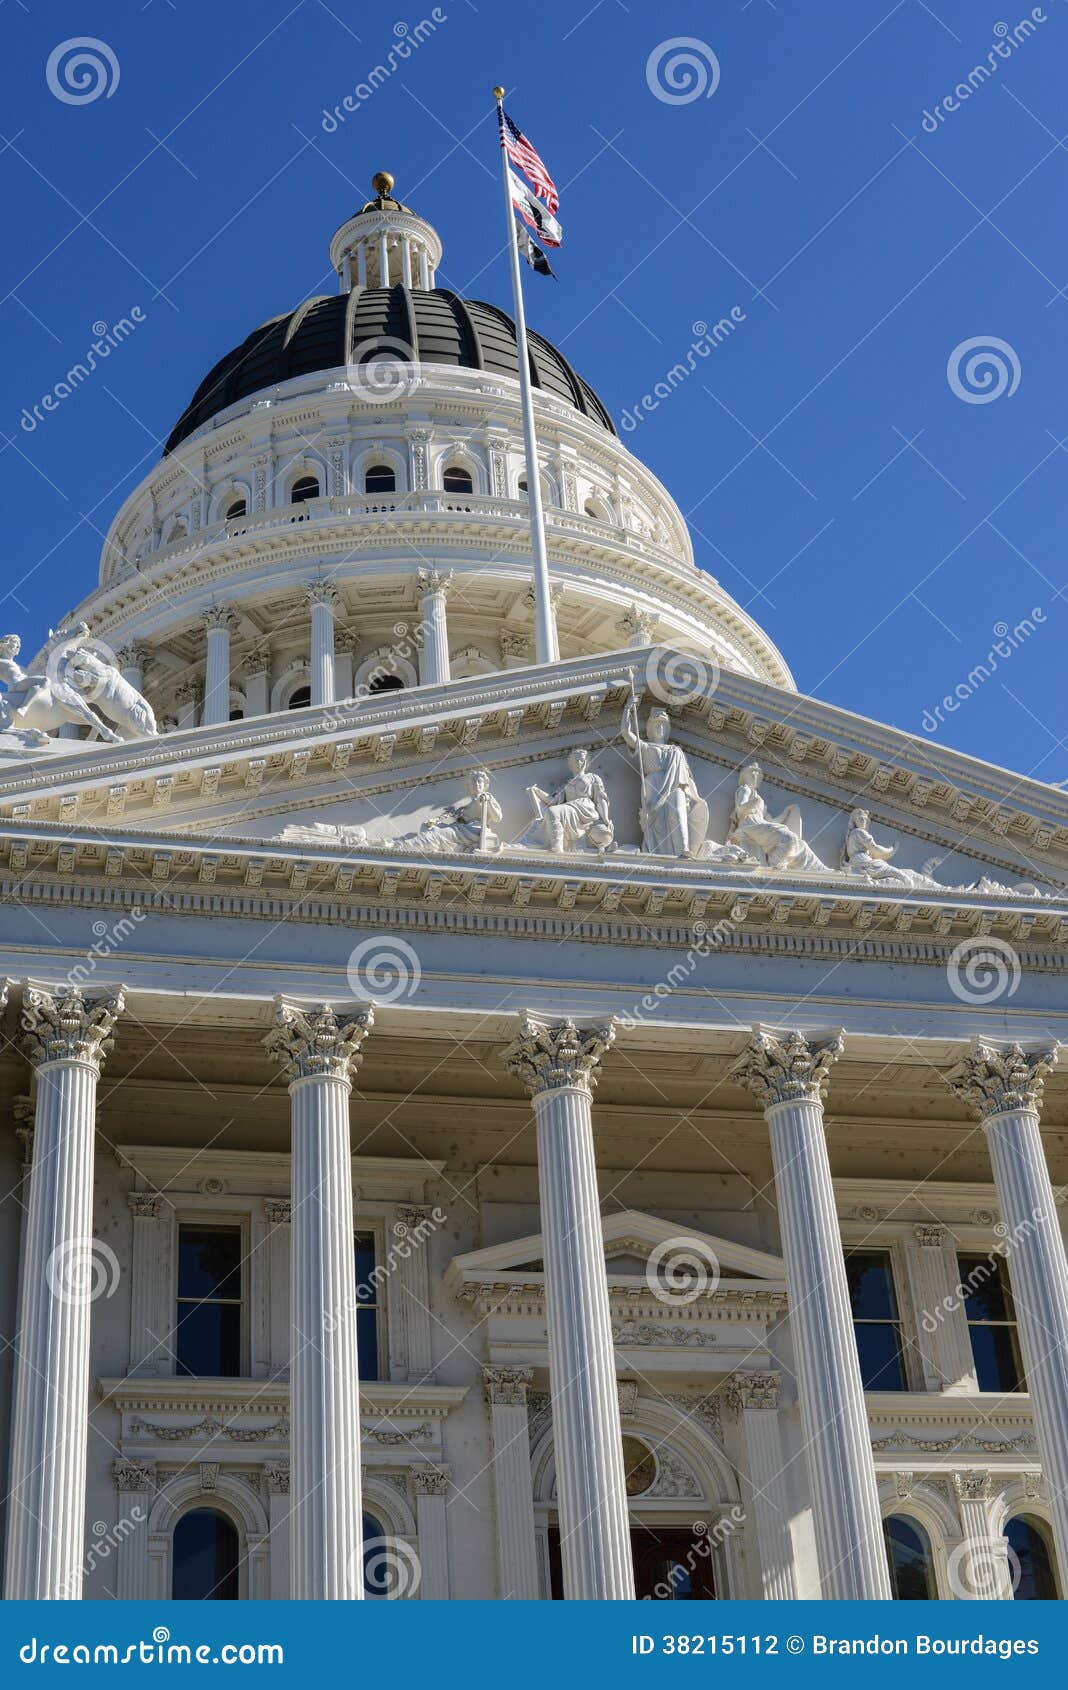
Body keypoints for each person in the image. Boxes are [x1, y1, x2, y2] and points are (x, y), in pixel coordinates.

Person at [621, 704, 704, 856]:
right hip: (653, 784)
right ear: (650, 728)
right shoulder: (645, 747)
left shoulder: (676, 750)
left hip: (675, 784)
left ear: (667, 729)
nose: (660, 727)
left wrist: (694, 796)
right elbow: (626, 733)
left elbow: (686, 776)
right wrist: (628, 709)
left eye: (663, 724)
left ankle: (682, 849)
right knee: (656, 823)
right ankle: (657, 852)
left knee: (678, 813)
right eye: (656, 724)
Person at [524, 747, 614, 853]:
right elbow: (552, 800)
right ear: (570, 763)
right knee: (552, 811)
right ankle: (557, 847)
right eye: (576, 759)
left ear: (586, 762)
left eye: (582, 759)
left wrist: (605, 819)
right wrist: (536, 791)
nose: (579, 762)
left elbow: (601, 799)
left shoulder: (593, 778)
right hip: (570, 808)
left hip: (585, 809)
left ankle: (556, 847)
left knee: (553, 811)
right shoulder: (567, 784)